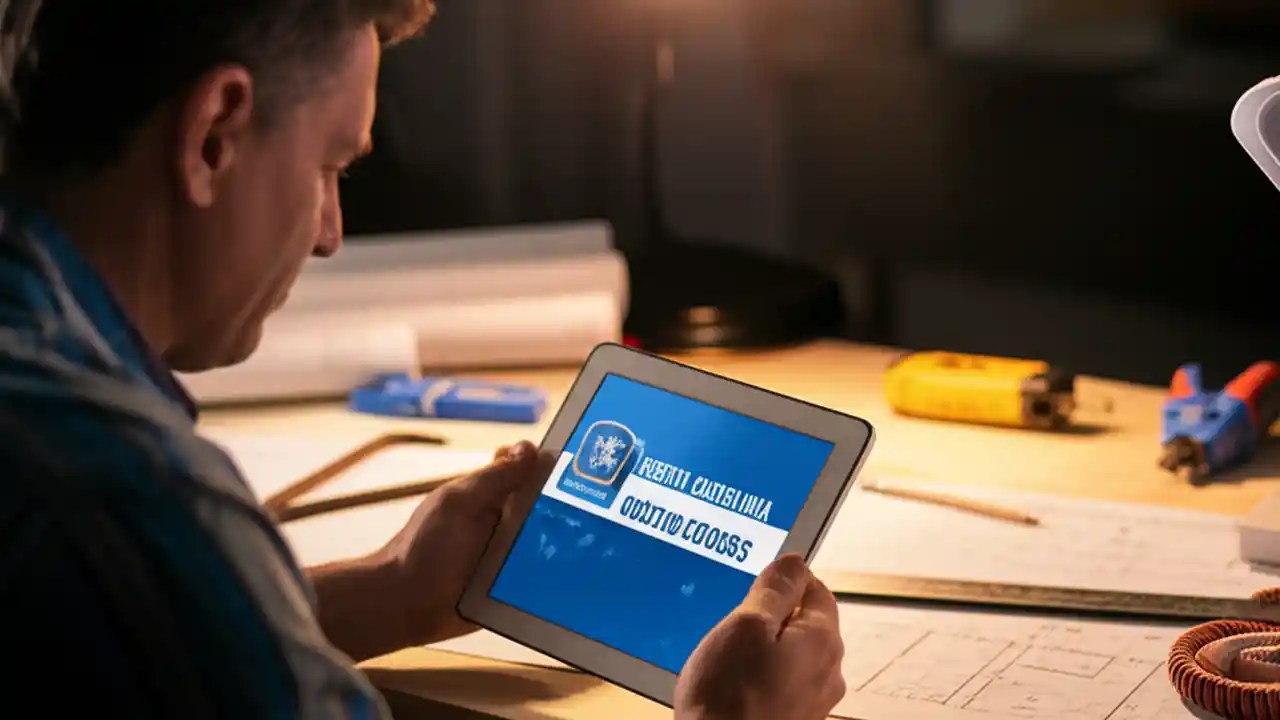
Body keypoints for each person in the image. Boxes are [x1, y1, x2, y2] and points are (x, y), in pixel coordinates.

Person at [0, 2, 847, 718]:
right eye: (331, 167)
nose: (330, 235)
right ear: (215, 134)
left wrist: (392, 591)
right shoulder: (125, 491)